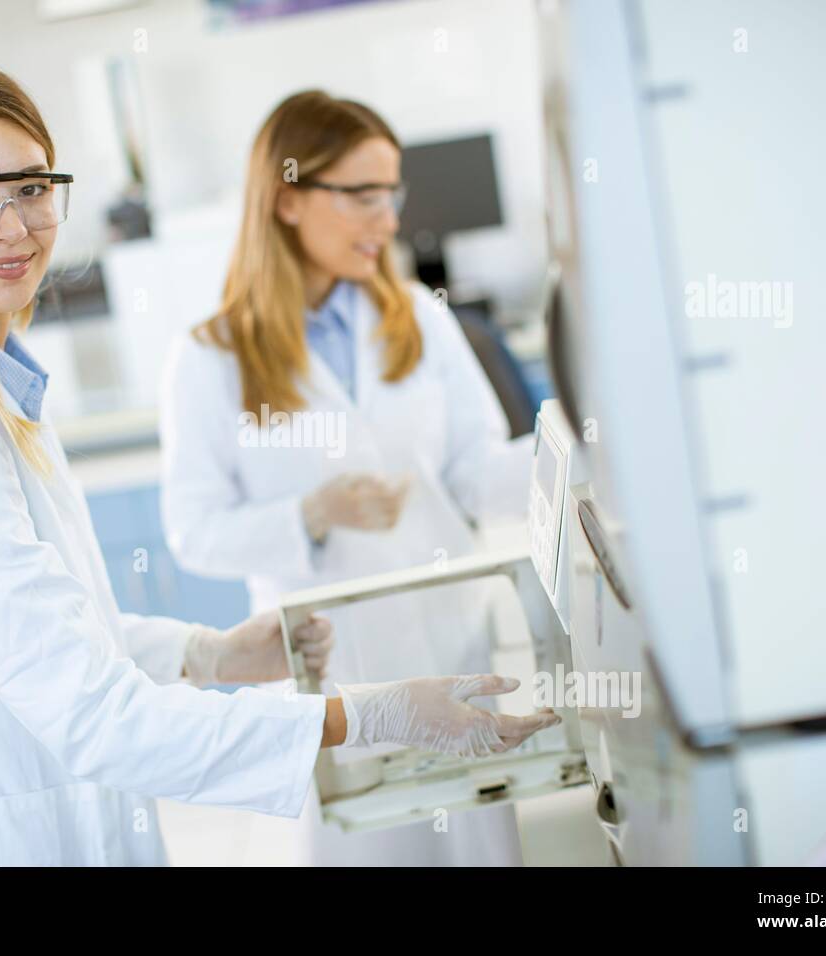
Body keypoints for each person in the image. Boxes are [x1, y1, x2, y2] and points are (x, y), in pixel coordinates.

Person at [0, 63, 558, 866]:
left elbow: (52, 638)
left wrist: (207, 655)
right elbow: (90, 710)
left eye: (29, 187)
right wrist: (370, 715)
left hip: (61, 809)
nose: (13, 226)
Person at [160, 91, 537, 866]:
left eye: (390, 195)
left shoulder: (420, 320)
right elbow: (194, 531)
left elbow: (476, 476)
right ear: (289, 199)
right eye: (364, 195)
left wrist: (573, 452)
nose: (389, 220)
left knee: (479, 851)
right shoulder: (208, 359)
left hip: (446, 638)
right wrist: (311, 514)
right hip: (327, 675)